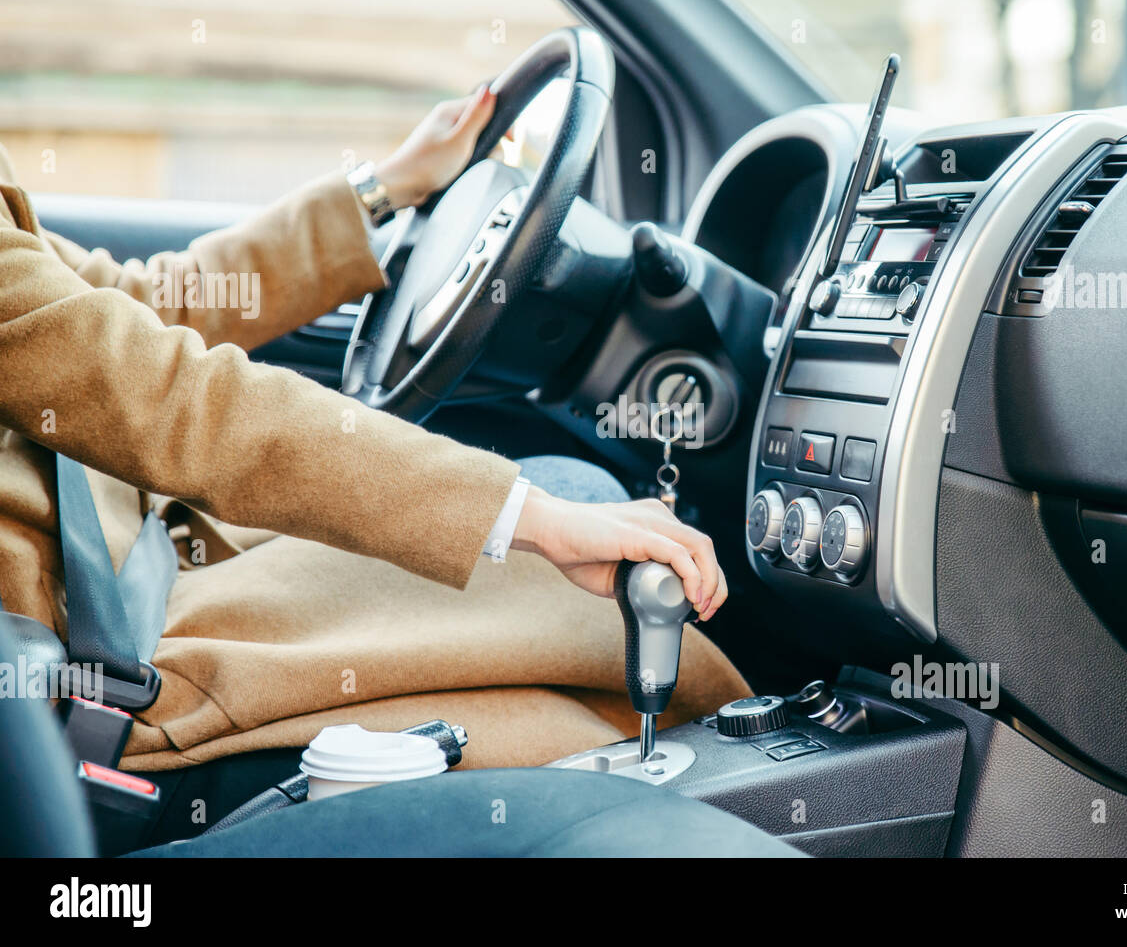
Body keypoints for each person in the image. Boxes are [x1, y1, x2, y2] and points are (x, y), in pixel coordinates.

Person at [0, 82, 750, 774]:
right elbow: (167, 394)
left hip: (130, 550)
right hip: (99, 658)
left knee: (577, 561)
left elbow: (131, 306)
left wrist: (383, 186)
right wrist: (529, 517)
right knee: (601, 728)